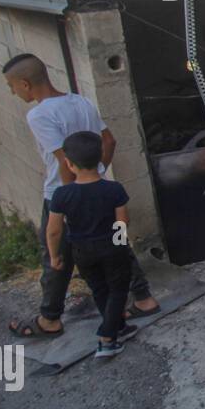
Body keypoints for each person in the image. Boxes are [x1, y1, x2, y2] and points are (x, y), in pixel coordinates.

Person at [1, 53, 161, 339]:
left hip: (63, 196)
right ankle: (143, 298)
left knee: (55, 255)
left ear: (25, 84)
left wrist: (72, 197)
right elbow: (109, 139)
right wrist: (97, 175)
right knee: (116, 243)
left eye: (12, 86)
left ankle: (50, 318)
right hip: (98, 191)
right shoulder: (80, 101)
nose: (12, 91)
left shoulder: (38, 115)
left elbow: (63, 161)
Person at [46, 131, 137, 358]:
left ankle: (117, 326)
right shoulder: (114, 188)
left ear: (69, 164)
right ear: (99, 159)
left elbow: (54, 229)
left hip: (81, 251)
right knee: (118, 290)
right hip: (111, 247)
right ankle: (107, 338)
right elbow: (122, 220)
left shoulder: (61, 194)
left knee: (99, 289)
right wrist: (120, 244)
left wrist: (54, 256)